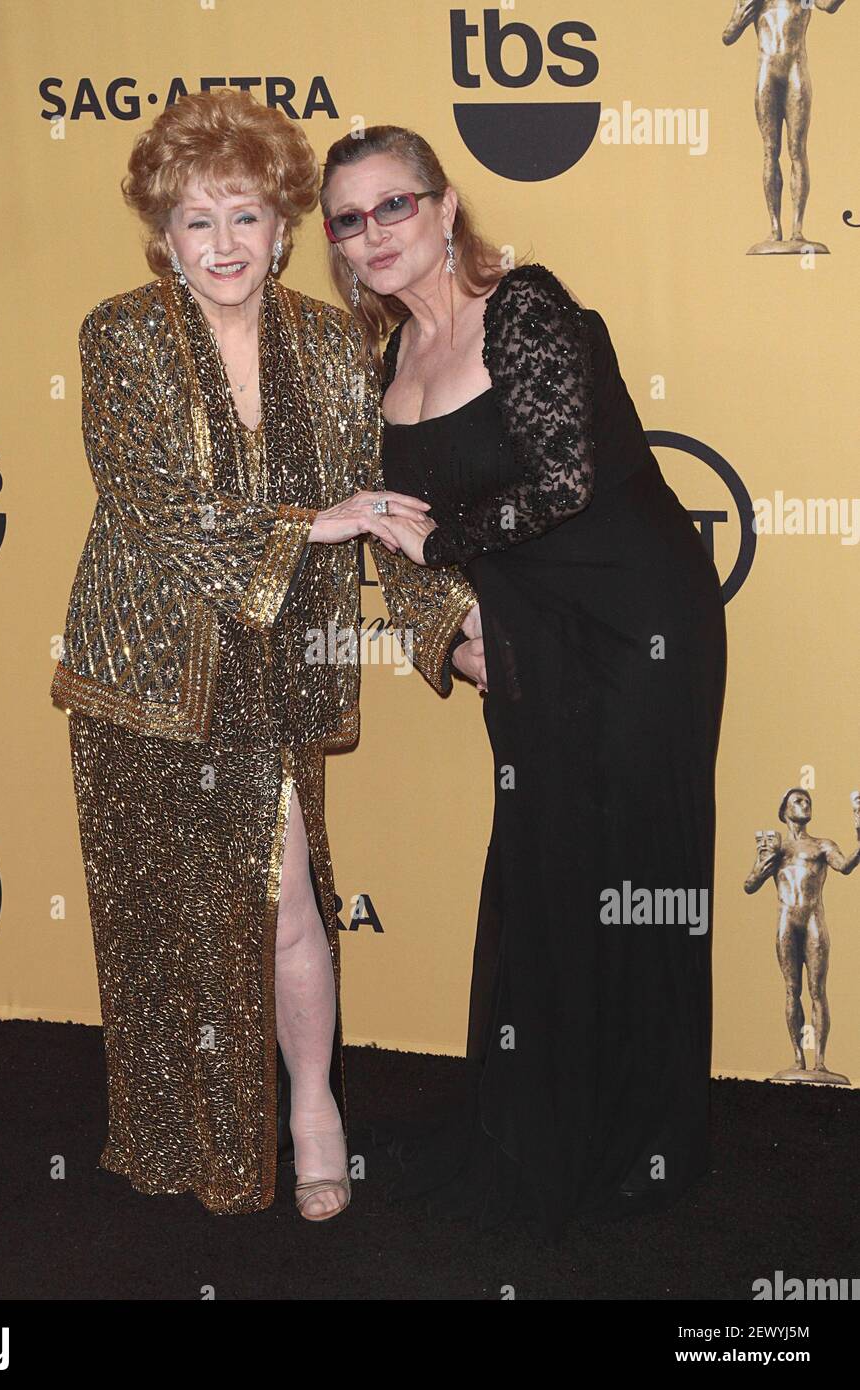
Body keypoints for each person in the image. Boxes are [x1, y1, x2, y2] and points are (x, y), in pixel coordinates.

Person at [49, 92, 478, 1222]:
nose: (225, 245)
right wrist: (308, 524)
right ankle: (172, 1133)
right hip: (144, 678)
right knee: (160, 921)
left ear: (286, 229)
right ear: (164, 237)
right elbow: (149, 504)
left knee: (287, 902)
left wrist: (453, 629)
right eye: (199, 223)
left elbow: (385, 510)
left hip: (271, 676)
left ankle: (309, 1111)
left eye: (245, 217)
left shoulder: (342, 344)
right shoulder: (121, 334)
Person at [320, 125, 728, 1238]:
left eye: (393, 206)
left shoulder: (526, 305)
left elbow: (563, 480)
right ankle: (538, 1126)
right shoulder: (380, 370)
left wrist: (448, 555)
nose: (373, 236)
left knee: (630, 863)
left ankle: (639, 1147)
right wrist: (451, 633)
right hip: (519, 638)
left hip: (633, 622)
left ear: (447, 209)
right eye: (348, 221)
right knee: (546, 872)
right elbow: (397, 548)